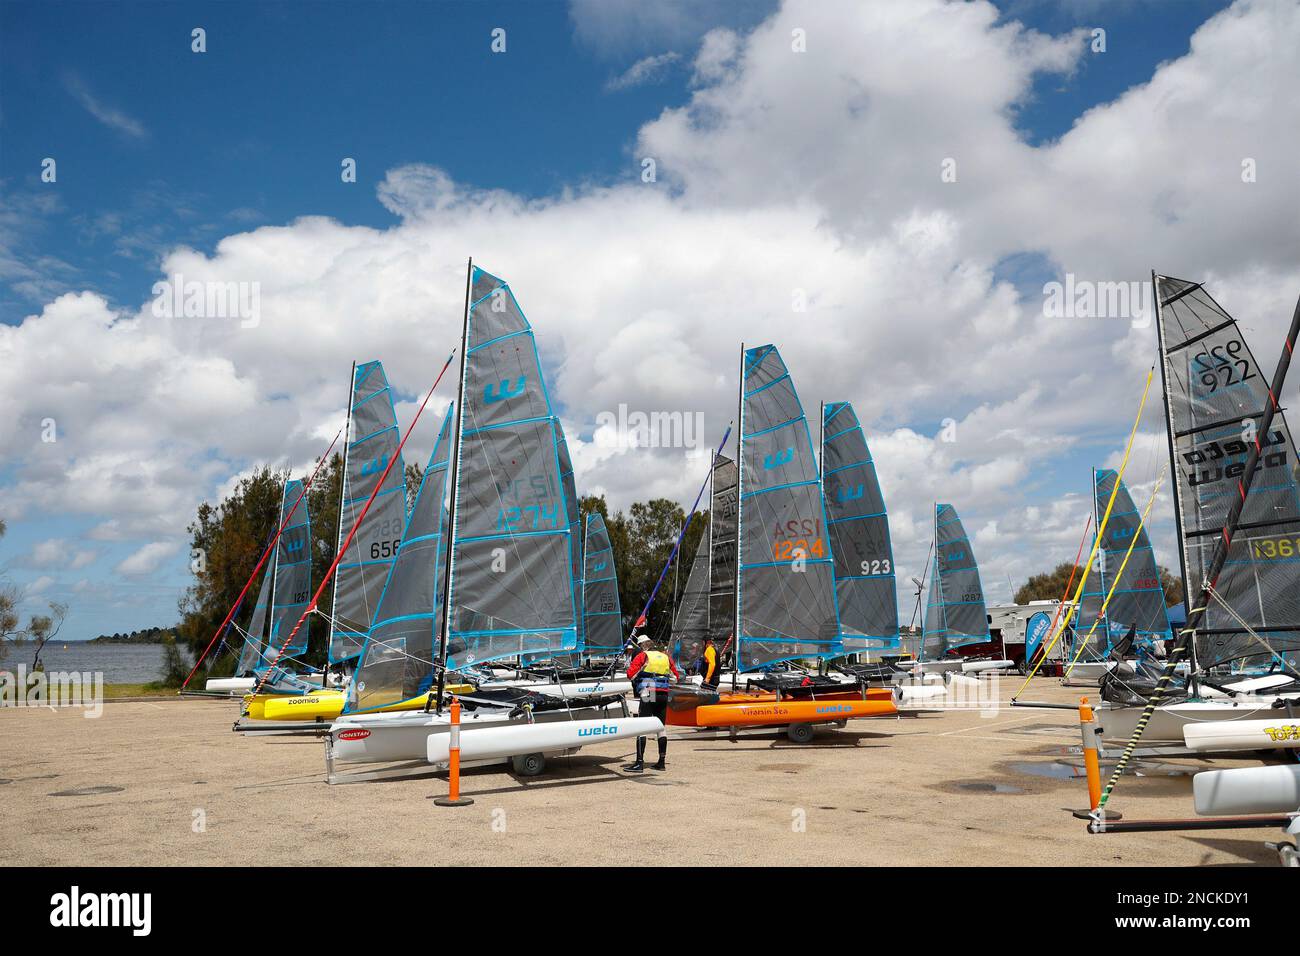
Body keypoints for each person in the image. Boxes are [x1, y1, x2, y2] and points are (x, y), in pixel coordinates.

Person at [625, 635, 678, 772]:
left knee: (642, 726)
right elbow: (675, 677)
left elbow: (630, 674)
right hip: (663, 693)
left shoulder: (643, 656)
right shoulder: (666, 657)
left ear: (643, 645)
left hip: (649, 690)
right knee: (660, 727)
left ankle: (639, 763)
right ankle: (661, 762)